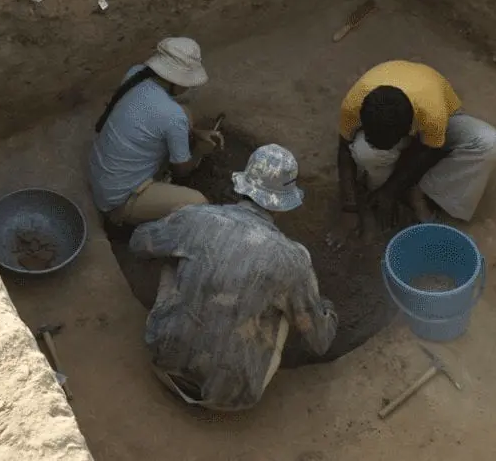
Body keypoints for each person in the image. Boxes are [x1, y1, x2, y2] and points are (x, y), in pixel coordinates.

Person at [127, 145, 338, 412]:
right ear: (284, 203)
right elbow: (319, 342)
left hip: (161, 363)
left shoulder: (195, 218)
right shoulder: (292, 259)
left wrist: (177, 220)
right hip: (229, 398)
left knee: (173, 258)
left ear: (244, 183)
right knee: (288, 300)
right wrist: (326, 309)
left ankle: (177, 334)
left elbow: (138, 243)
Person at [331, 60, 496, 244]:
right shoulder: (354, 105)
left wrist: (391, 190)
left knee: (490, 143)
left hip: (436, 117)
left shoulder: (433, 114)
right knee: (365, 152)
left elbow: (428, 152)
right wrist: (348, 207)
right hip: (409, 120)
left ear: (409, 130)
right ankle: (385, 190)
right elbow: (344, 147)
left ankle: (419, 193)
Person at [88, 37, 224, 227]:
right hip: (117, 200)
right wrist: (200, 150)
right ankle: (123, 219)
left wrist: (195, 132)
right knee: (199, 203)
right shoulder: (172, 116)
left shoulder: (135, 73)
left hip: (101, 173)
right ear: (175, 79)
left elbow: (154, 118)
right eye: (188, 82)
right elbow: (181, 171)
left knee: (185, 113)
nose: (190, 87)